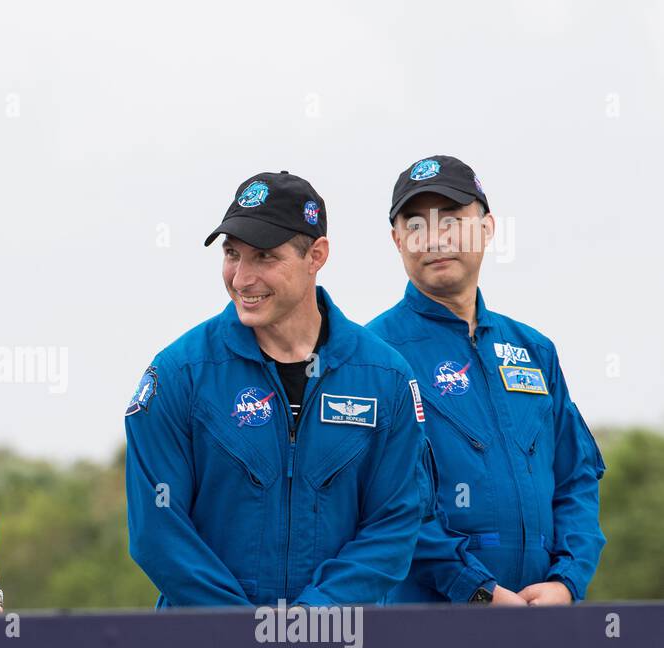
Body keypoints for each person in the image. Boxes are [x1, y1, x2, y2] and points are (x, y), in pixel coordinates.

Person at [125, 171, 432, 606]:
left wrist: (313, 617)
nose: (242, 278)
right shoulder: (178, 375)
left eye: (265, 257)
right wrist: (246, 635)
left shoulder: (387, 379)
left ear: (317, 255)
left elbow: (394, 524)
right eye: (232, 254)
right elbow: (157, 531)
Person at [367, 156, 606, 605]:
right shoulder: (373, 358)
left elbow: (576, 478)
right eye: (416, 225)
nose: (435, 239)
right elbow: (387, 502)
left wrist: (567, 582)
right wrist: (476, 590)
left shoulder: (535, 351)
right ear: (397, 240)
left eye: (453, 220)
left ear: (487, 227)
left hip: (540, 621)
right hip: (424, 630)